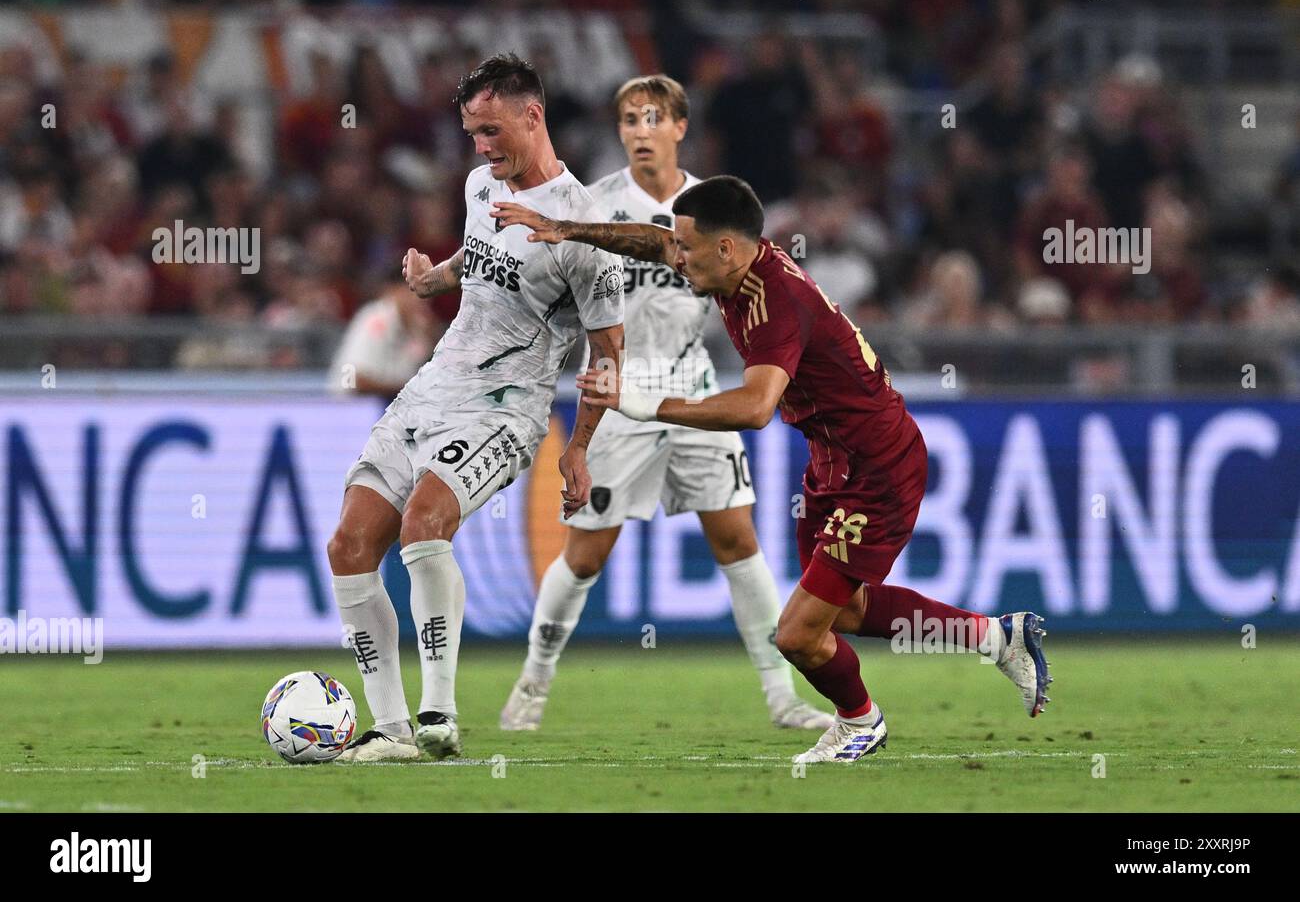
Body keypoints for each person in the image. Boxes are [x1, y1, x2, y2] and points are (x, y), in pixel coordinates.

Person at [492, 175, 1050, 763]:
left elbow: (755, 408)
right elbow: (648, 241)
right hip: (833, 462)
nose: (674, 257)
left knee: (798, 634)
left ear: (725, 249)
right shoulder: (731, 262)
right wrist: (567, 229)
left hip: (877, 468)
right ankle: (996, 637)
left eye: (685, 248)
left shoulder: (774, 303)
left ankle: (861, 722)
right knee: (847, 611)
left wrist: (636, 400)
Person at [500, 75, 832, 733]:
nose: (640, 131)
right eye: (628, 120)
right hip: (619, 389)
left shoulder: (711, 210)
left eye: (653, 118)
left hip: (694, 381)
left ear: (681, 127)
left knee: (738, 539)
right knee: (587, 554)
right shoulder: (595, 206)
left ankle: (782, 697)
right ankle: (532, 685)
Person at [326, 54, 625, 763]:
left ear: (534, 115)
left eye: (493, 131)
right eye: (472, 134)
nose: (484, 148)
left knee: (424, 525)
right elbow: (480, 250)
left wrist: (578, 447)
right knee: (348, 544)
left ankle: (438, 715)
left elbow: (609, 351)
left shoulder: (586, 230)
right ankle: (391, 728)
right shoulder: (478, 185)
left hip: (507, 406)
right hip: (434, 384)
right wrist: (438, 276)